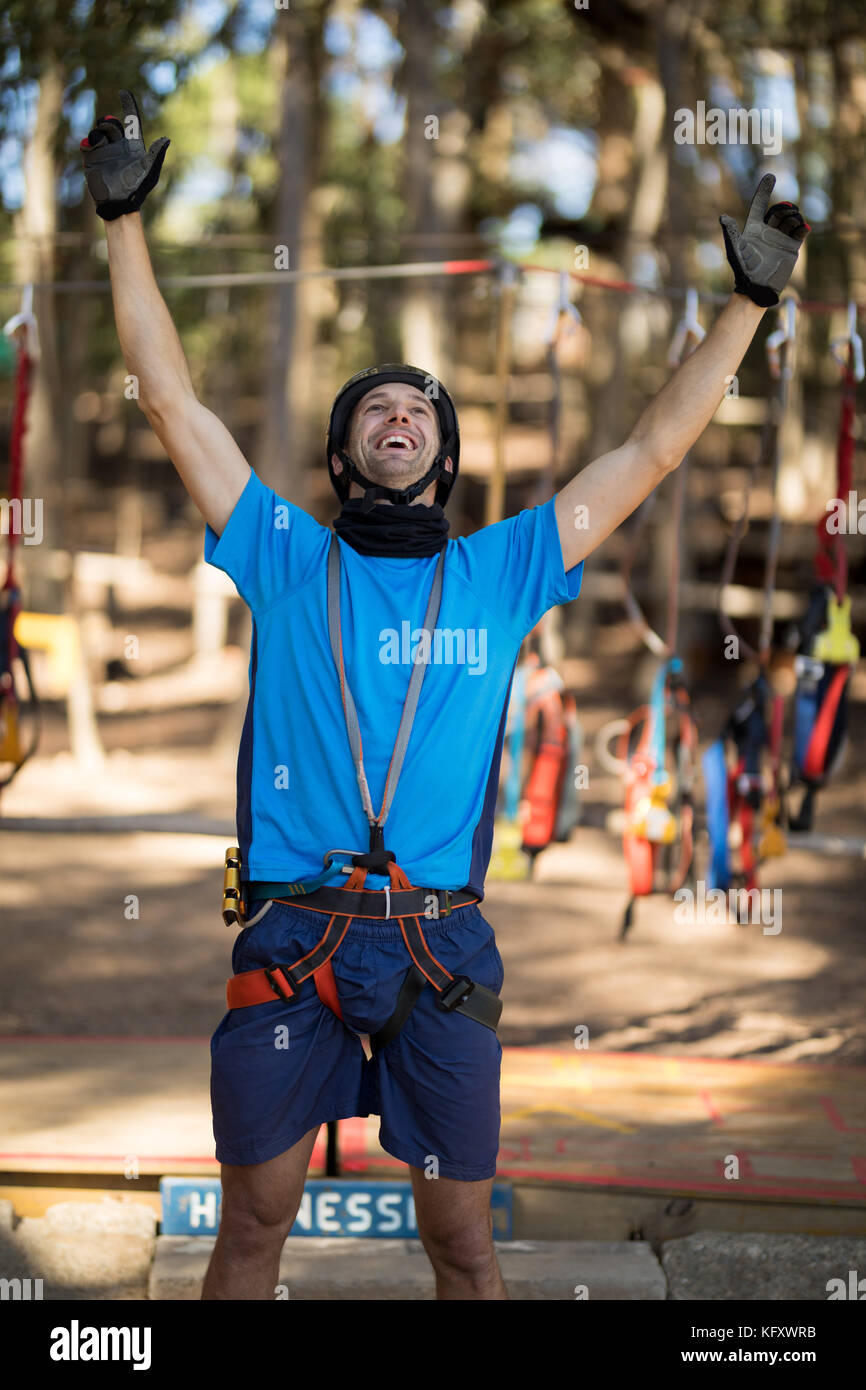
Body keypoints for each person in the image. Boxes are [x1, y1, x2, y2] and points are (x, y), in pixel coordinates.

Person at [81, 91, 809, 1301]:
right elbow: (169, 399)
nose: (399, 414)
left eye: (420, 408)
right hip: (290, 937)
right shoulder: (278, 551)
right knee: (252, 1224)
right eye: (375, 406)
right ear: (341, 455)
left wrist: (747, 303)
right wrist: (121, 220)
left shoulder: (502, 567)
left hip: (441, 944)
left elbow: (649, 454)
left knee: (462, 1243)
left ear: (445, 457)